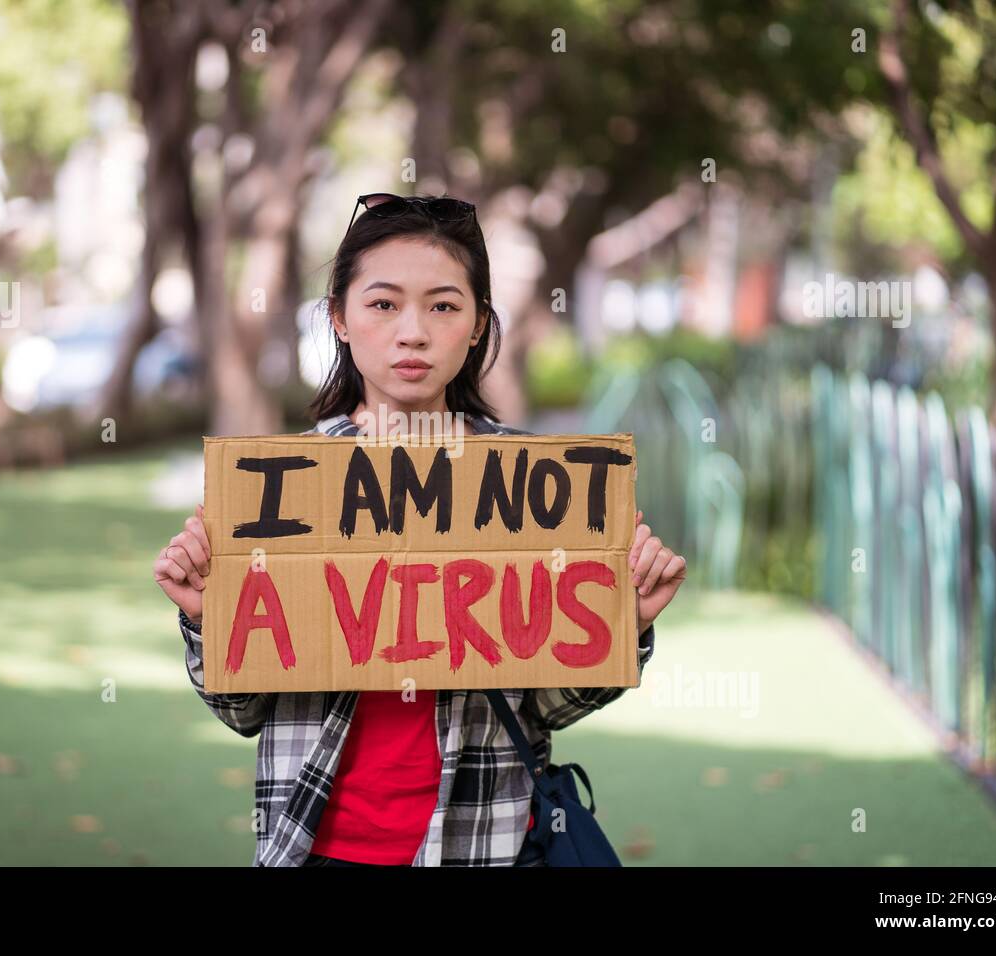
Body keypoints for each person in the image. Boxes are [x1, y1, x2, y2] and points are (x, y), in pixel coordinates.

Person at [153, 193, 687, 867]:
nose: (414, 332)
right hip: (317, 851)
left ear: (477, 325)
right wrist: (208, 618)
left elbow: (548, 707)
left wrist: (624, 621)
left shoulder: (533, 482)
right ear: (339, 318)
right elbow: (244, 713)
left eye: (443, 305)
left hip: (486, 847)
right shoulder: (278, 490)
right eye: (383, 304)